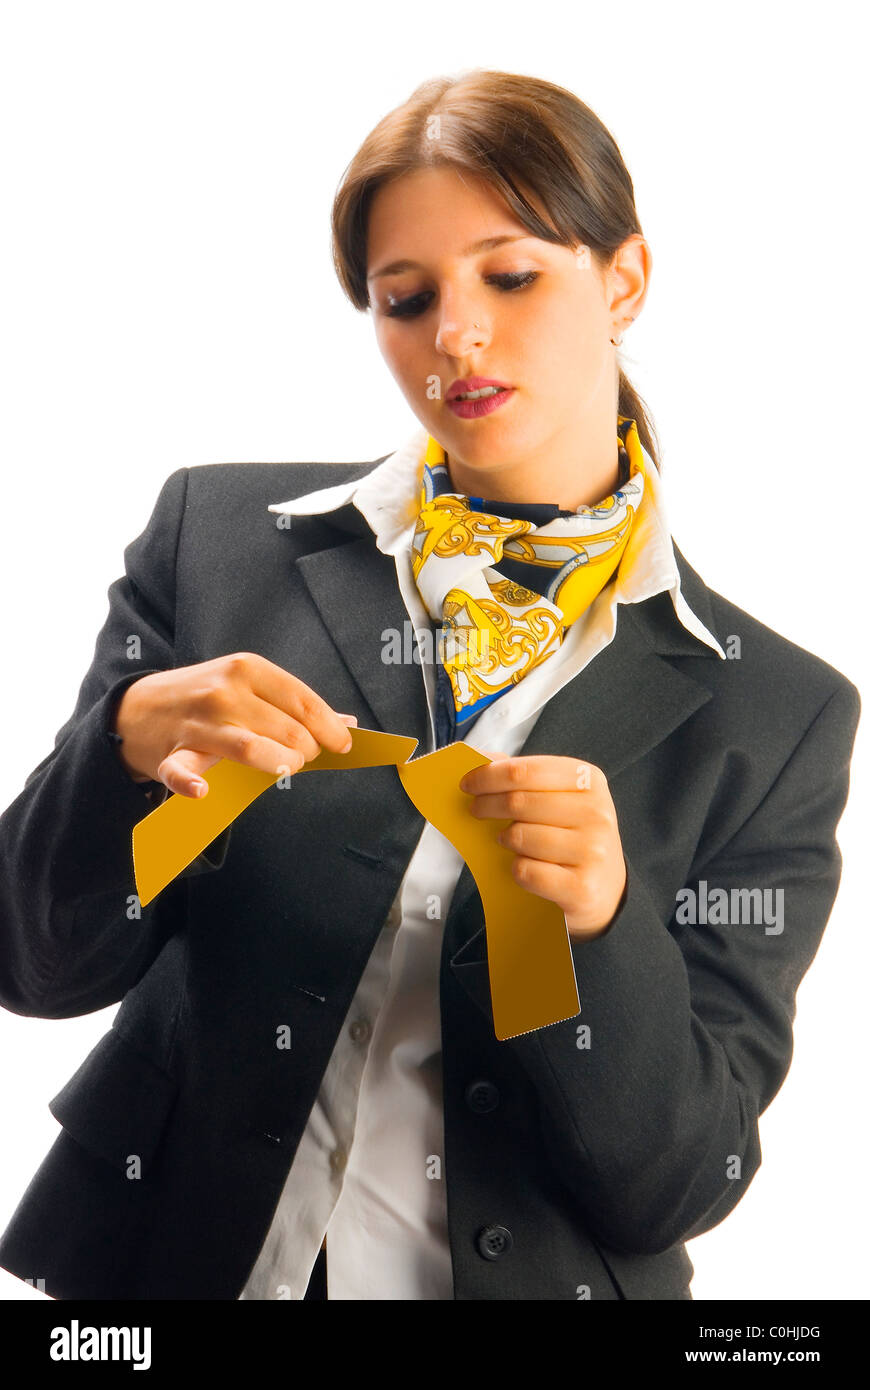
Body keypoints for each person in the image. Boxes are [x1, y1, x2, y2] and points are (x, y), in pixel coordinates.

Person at [0, 68, 860, 1302]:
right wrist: (121, 750)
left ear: (624, 282)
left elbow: (679, 1181)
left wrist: (599, 933)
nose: (455, 334)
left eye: (510, 277)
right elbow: (37, 966)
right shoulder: (220, 542)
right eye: (407, 298)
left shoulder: (774, 710)